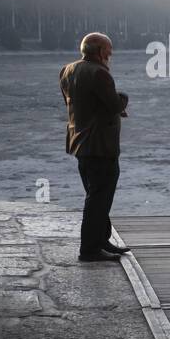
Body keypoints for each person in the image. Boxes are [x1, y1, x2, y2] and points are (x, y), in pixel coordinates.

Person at [59, 32, 130, 262]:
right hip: (101, 145)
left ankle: (102, 239)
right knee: (99, 198)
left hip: (79, 143)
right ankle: (89, 249)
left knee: (96, 195)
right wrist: (123, 99)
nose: (111, 54)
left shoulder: (68, 70)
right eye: (108, 50)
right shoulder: (100, 73)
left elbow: (79, 104)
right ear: (100, 51)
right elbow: (112, 105)